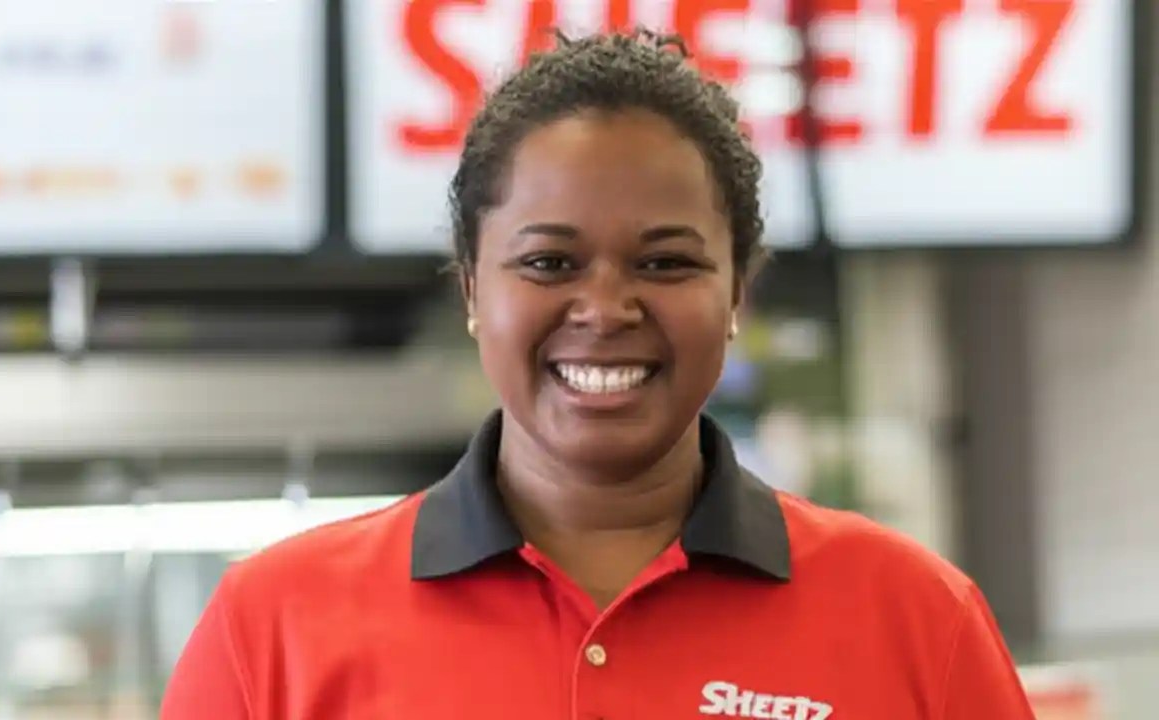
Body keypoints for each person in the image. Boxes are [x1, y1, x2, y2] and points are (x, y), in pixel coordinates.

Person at [162, 30, 1036, 719]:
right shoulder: (272, 627)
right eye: (549, 264)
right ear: (474, 288)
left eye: (665, 264)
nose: (606, 308)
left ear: (738, 290)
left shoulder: (916, 618)